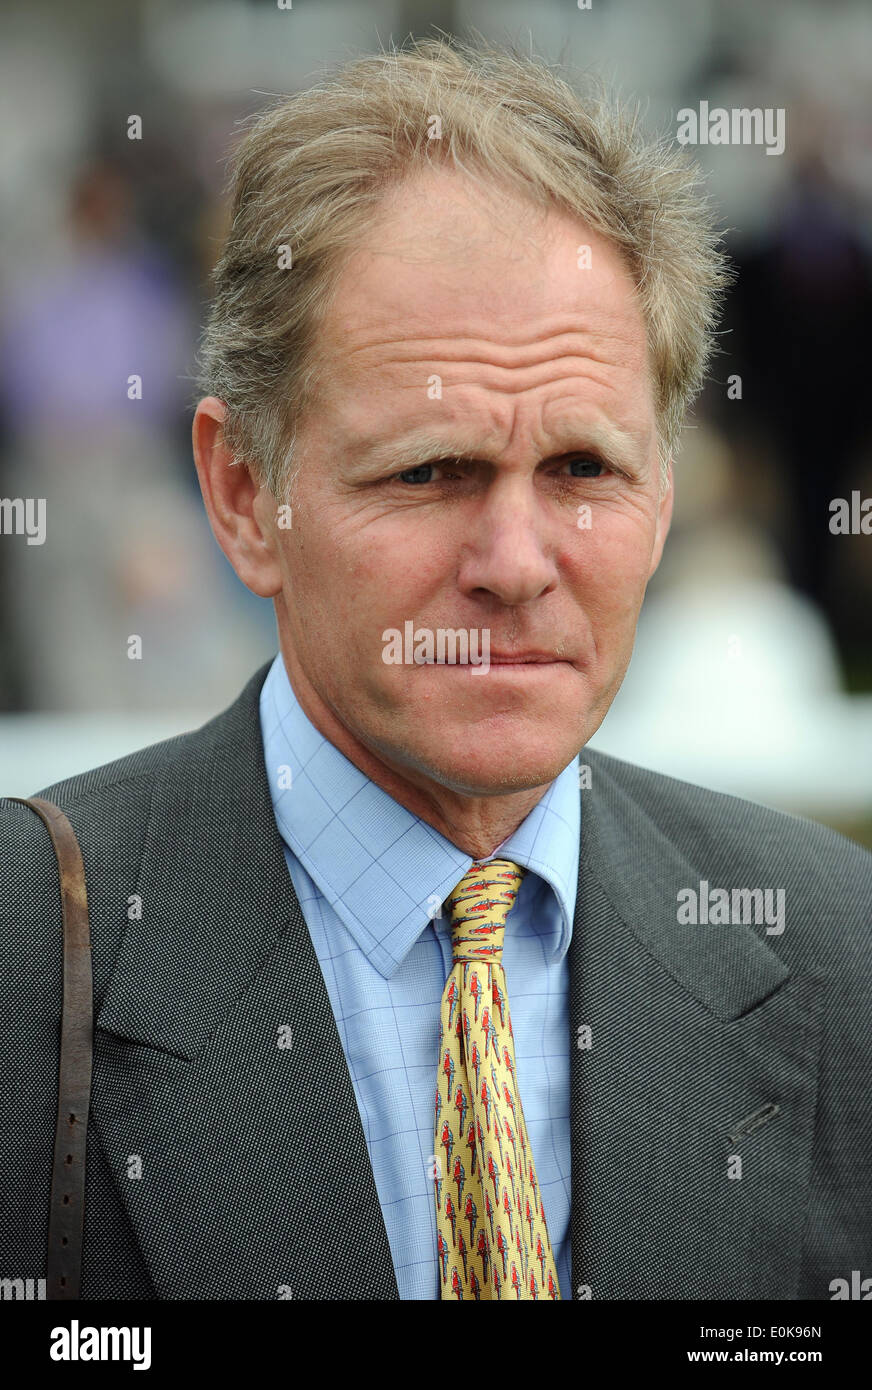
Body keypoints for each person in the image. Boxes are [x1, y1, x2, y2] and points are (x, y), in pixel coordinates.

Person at [1, 37, 869, 1302]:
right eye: (427, 470)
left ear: (666, 496)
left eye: (581, 468)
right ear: (244, 496)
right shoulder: (31, 958)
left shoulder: (836, 952)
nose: (514, 561)